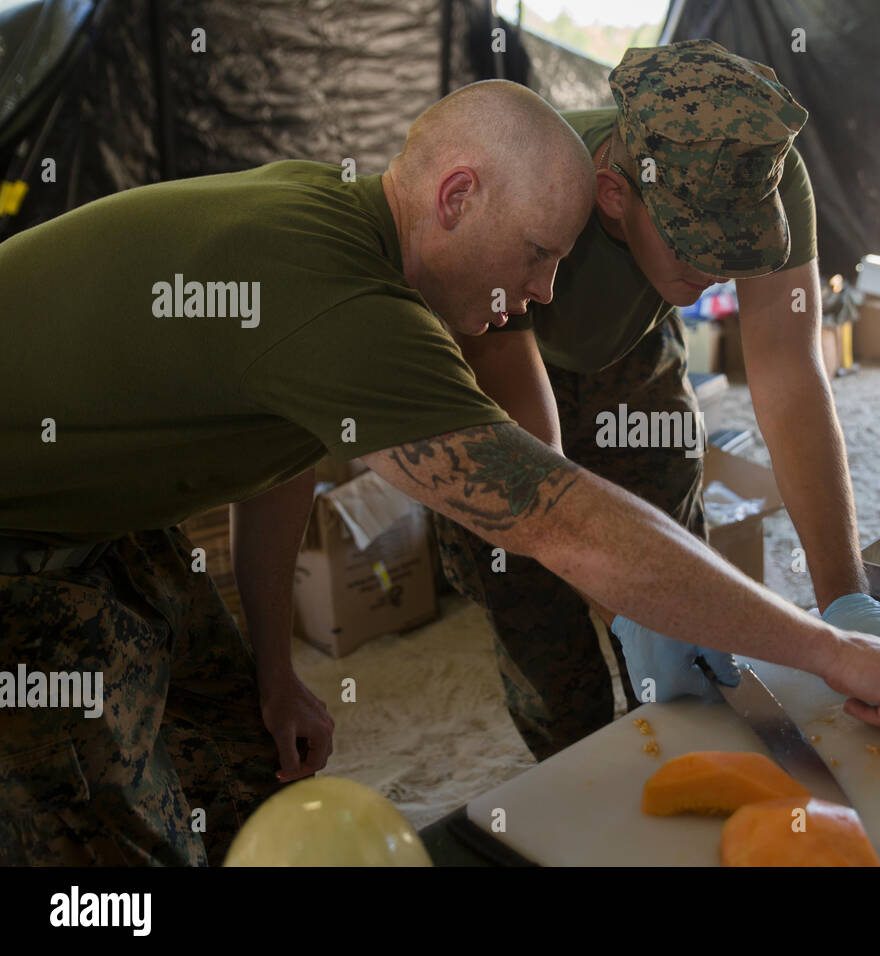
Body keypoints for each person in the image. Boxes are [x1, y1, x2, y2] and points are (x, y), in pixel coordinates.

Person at [0, 80, 595, 864]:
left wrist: (277, 674)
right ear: (457, 198)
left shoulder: (346, 227)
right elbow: (548, 509)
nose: (543, 291)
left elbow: (279, 460)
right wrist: (807, 639)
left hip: (91, 509)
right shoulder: (341, 300)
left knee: (250, 769)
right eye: (537, 254)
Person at [434, 40, 880, 761]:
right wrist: (633, 611)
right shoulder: (531, 194)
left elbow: (787, 373)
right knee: (550, 649)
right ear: (615, 197)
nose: (717, 271)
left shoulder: (762, 165)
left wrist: (846, 600)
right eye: (695, 246)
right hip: (500, 378)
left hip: (635, 361)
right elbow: (543, 485)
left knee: (691, 644)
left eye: (736, 247)